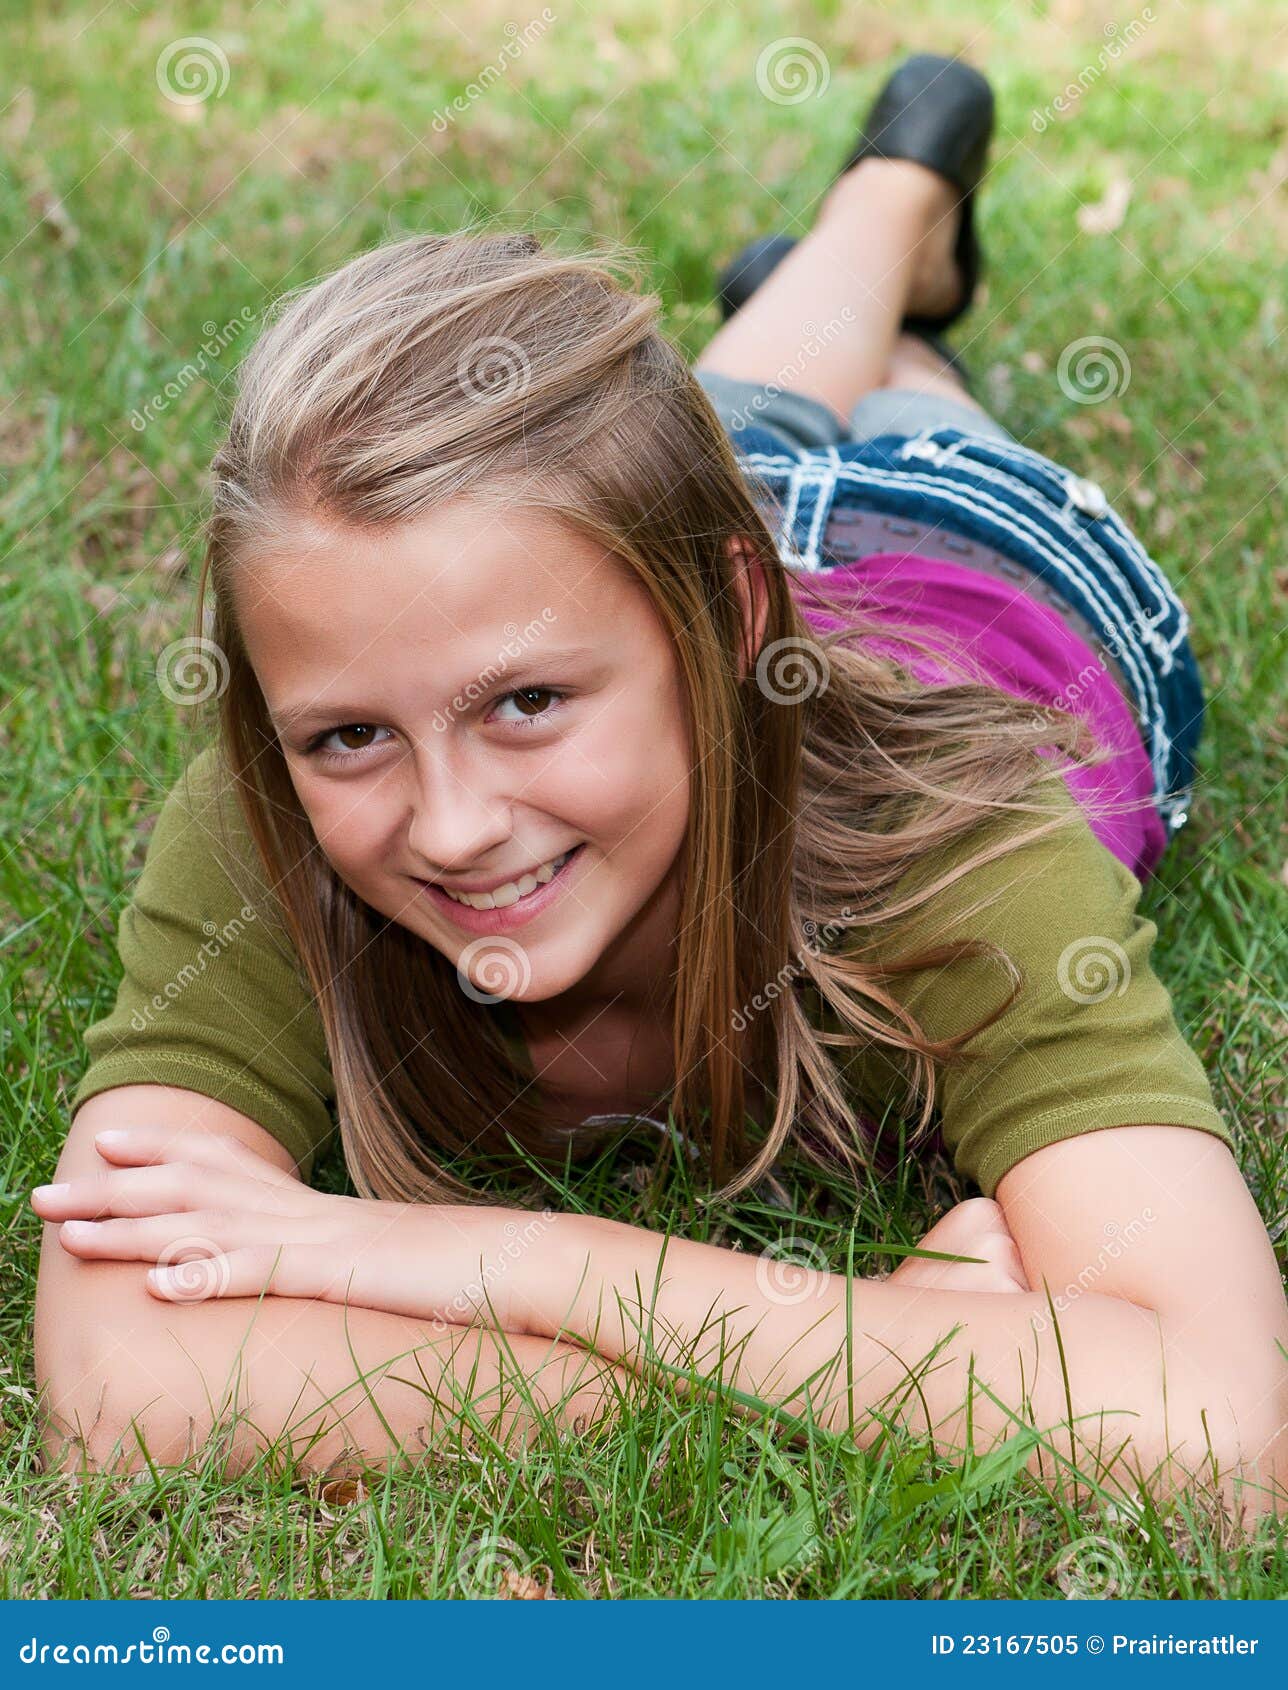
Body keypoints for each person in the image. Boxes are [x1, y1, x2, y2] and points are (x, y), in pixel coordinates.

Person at [32, 54, 1287, 1528]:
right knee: (702, 444)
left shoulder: (960, 836)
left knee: (884, 442)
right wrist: (882, 1343)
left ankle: (897, 230)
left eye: (527, 705)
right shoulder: (280, 802)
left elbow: (1222, 1433)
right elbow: (122, 1385)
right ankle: (881, 232)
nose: (448, 823)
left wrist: (510, 1262)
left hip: (981, 585)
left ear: (737, 620)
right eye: (349, 736)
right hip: (651, 563)